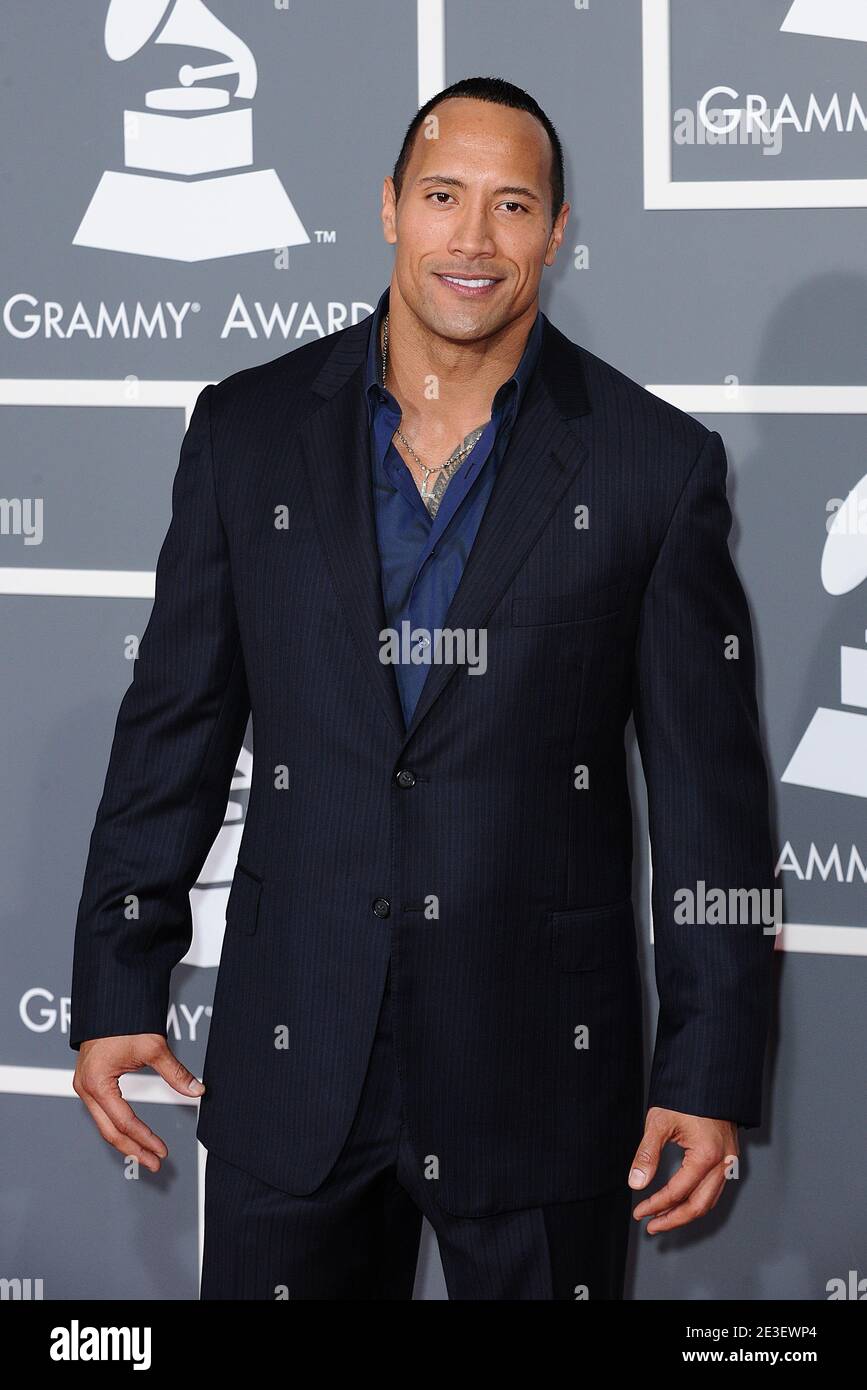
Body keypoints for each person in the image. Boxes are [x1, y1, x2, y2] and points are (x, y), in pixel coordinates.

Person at [70, 76, 776, 1300]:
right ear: (389, 207)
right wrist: (121, 973)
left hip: (539, 1077)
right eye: (444, 196)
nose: (473, 237)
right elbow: (174, 724)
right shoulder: (246, 432)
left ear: (558, 233)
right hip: (298, 1060)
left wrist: (707, 1069)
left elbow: (712, 807)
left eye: (514, 205)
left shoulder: (654, 466)